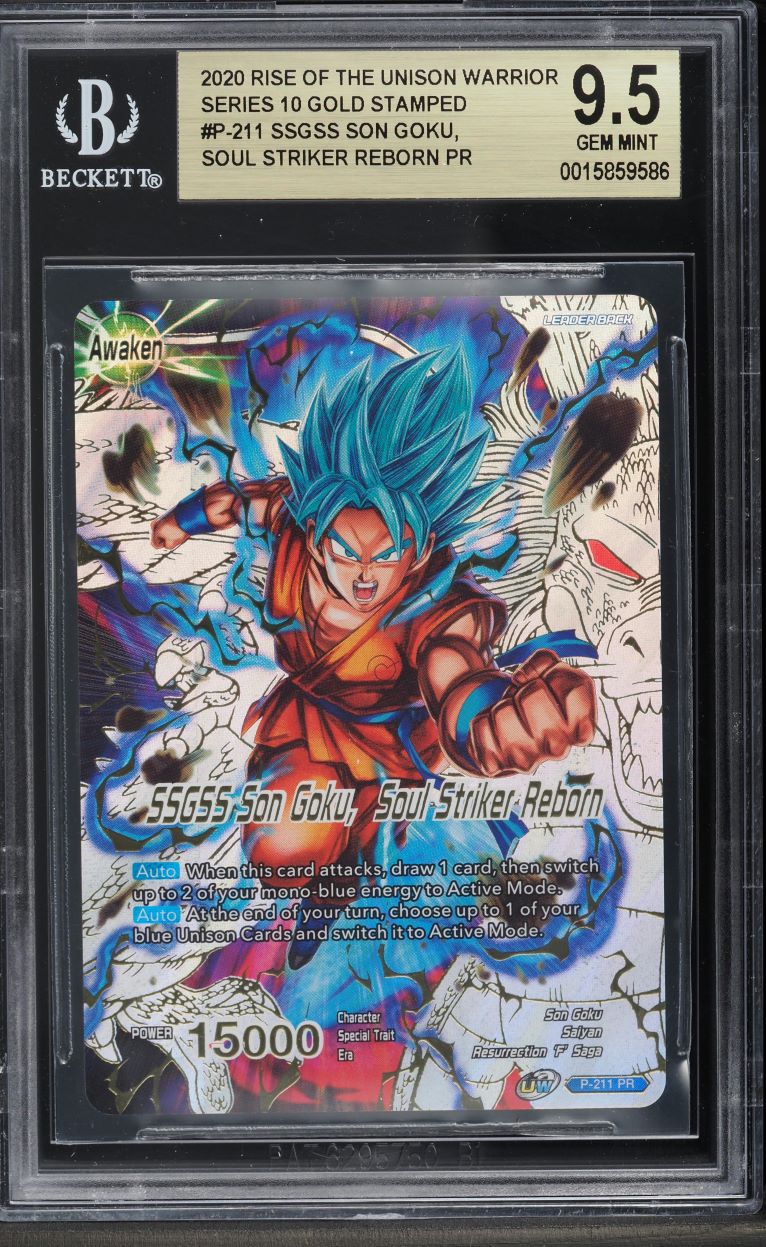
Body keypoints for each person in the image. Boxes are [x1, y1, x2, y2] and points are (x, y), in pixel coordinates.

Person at [151, 351, 596, 964]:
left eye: (386, 556)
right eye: (344, 551)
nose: (364, 577)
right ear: (317, 535)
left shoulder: (439, 610)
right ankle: (326, 883)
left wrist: (492, 722)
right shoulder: (293, 520)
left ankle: (342, 878)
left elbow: (455, 672)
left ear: (420, 550)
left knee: (334, 841)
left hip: (396, 738)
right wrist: (178, 522)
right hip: (310, 717)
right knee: (280, 852)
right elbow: (236, 502)